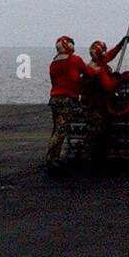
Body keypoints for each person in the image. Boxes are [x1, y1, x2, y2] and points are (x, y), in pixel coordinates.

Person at [81, 35, 129, 167]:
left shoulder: (95, 64)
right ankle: (91, 159)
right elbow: (108, 85)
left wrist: (121, 44)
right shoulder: (98, 69)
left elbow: (110, 55)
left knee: (95, 131)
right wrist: (116, 79)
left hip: (93, 105)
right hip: (97, 107)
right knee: (96, 132)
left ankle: (91, 157)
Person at [46, 35, 89, 172]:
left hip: (54, 99)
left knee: (56, 128)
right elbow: (89, 72)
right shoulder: (75, 60)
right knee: (61, 129)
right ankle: (51, 157)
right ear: (68, 46)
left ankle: (54, 157)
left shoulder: (54, 63)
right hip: (67, 99)